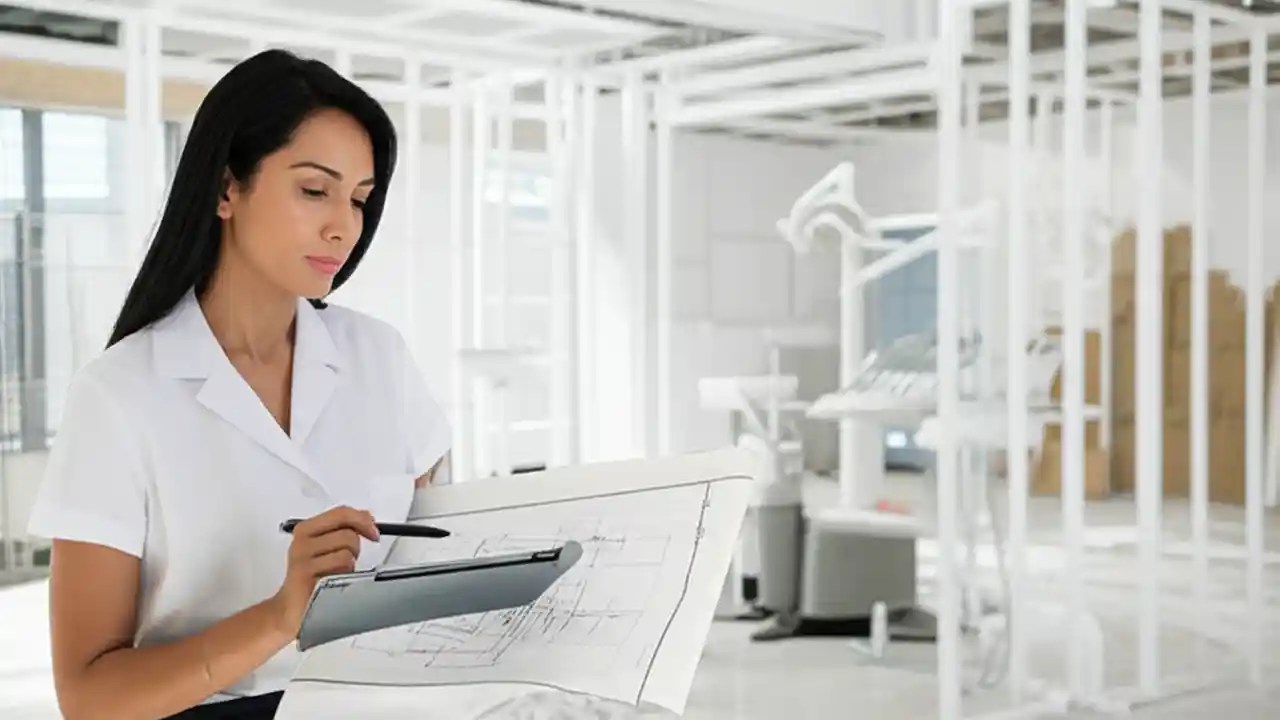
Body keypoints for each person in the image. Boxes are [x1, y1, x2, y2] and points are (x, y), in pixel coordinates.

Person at [25, 49, 451, 719]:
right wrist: (281, 614)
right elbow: (89, 697)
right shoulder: (119, 395)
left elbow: (449, 551)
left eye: (361, 200)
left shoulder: (381, 358)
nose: (344, 225)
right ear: (227, 188)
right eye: (315, 190)